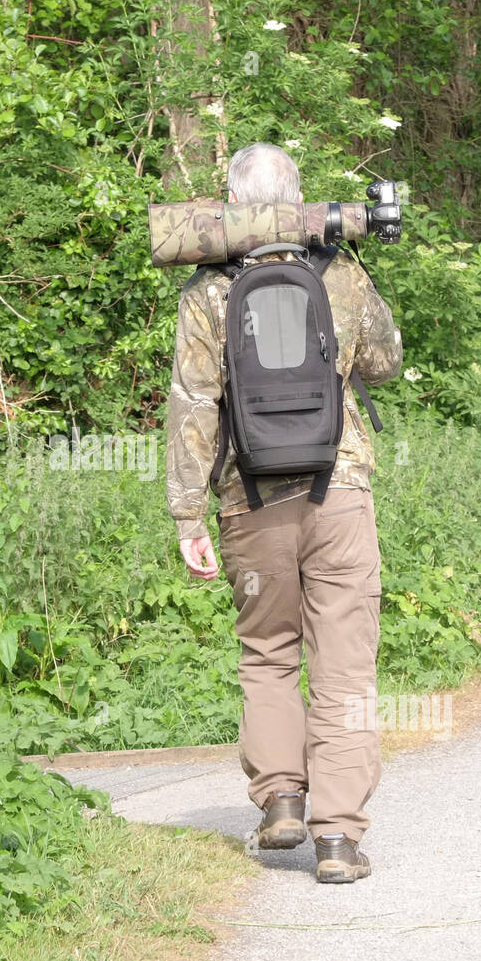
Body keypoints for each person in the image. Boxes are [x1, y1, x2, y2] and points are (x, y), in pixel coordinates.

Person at [165, 143, 403, 883]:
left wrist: (186, 515)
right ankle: (336, 840)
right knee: (344, 668)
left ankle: (279, 803)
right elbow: (384, 361)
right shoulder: (338, 271)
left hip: (247, 498)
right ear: (300, 203)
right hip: (341, 489)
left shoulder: (206, 292)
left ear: (229, 207)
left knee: (267, 654)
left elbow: (192, 405)